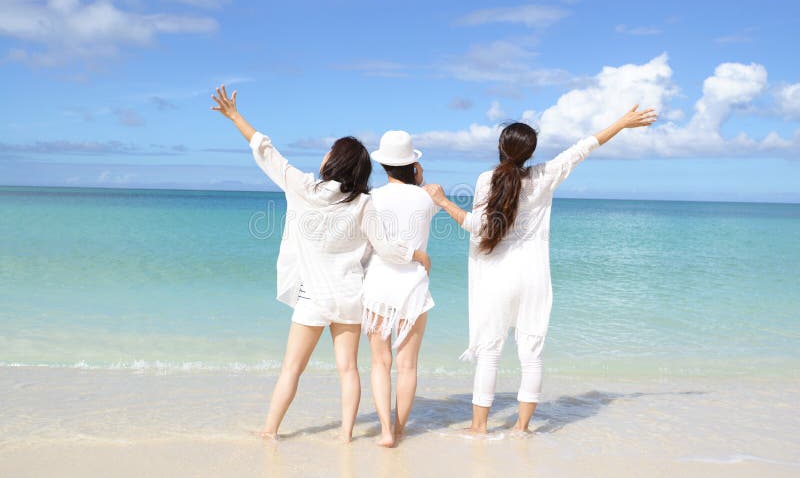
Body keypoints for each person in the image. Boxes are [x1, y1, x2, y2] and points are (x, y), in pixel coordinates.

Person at [210, 85, 431, 442]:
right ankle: (345, 435)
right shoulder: (364, 203)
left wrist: (235, 117)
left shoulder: (303, 189)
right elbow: (387, 248)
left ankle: (270, 430)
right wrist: (417, 255)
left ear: (334, 161)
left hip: (312, 297)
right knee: (348, 370)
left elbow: (267, 153)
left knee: (291, 369)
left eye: (329, 151)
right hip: (349, 297)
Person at [425, 105, 657, 435]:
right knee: (531, 355)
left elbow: (476, 226)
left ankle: (479, 429)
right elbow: (584, 146)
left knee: (490, 353)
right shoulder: (545, 175)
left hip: (496, 277)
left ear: (501, 148)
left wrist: (442, 201)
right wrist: (621, 122)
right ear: (531, 152)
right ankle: (522, 429)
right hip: (533, 278)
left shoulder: (486, 179)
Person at [361, 130, 439, 447]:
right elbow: (425, 195)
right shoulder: (426, 198)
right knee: (408, 367)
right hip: (414, 288)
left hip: (378, 285)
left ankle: (385, 431)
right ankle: (402, 428)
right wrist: (419, 181)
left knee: (381, 363)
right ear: (413, 165)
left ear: (383, 164)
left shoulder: (372, 198)